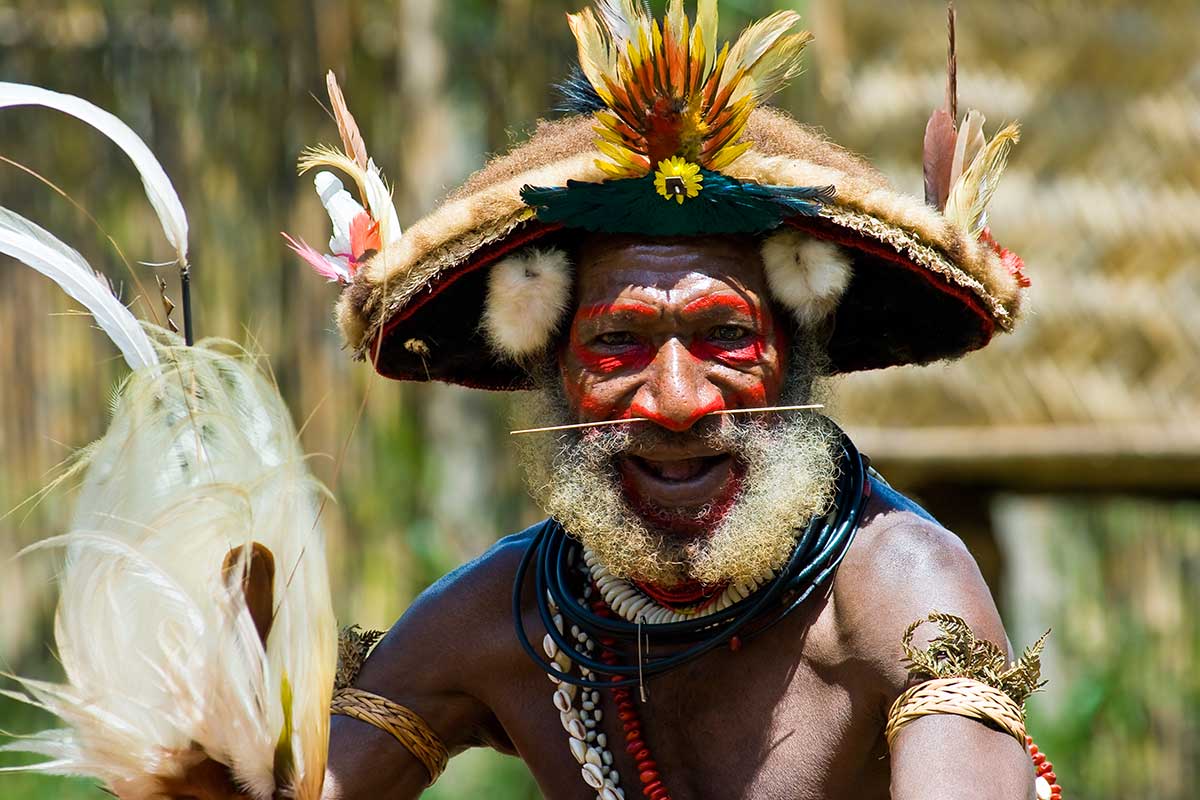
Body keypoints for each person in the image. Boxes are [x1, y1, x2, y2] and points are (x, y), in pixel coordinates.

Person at [188, 1, 1054, 798]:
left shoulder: (895, 587)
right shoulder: (509, 615)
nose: (675, 402)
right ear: (553, 368)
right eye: (617, 343)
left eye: (724, 337)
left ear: (794, 355)